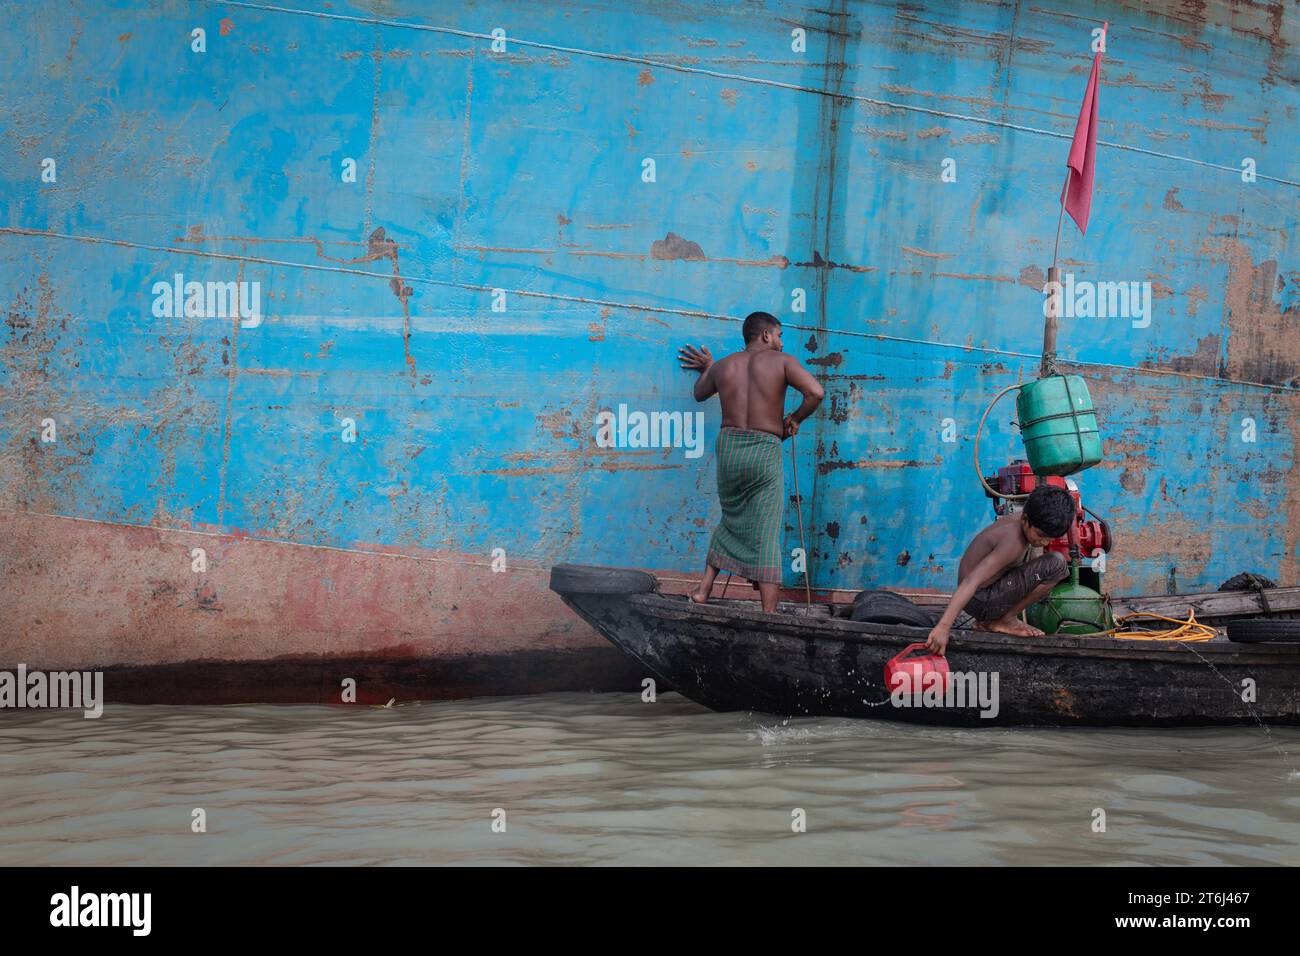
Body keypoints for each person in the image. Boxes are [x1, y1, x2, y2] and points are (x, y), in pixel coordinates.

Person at [678, 311, 824, 613]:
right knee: (767, 530)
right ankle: (769, 615)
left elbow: (699, 393)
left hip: (730, 447)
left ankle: (704, 589)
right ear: (766, 335)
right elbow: (816, 392)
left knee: (731, 517)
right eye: (780, 335)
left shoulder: (724, 365)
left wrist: (709, 367)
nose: (782, 343)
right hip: (763, 448)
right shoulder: (782, 362)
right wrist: (795, 418)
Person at [925, 484, 1075, 655]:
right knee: (1057, 563)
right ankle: (1005, 620)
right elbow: (971, 581)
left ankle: (994, 621)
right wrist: (943, 627)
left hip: (985, 595)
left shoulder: (1023, 521)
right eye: (1041, 536)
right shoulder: (1012, 542)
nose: (1045, 543)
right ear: (1025, 519)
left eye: (1050, 539)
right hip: (981, 600)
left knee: (1047, 562)